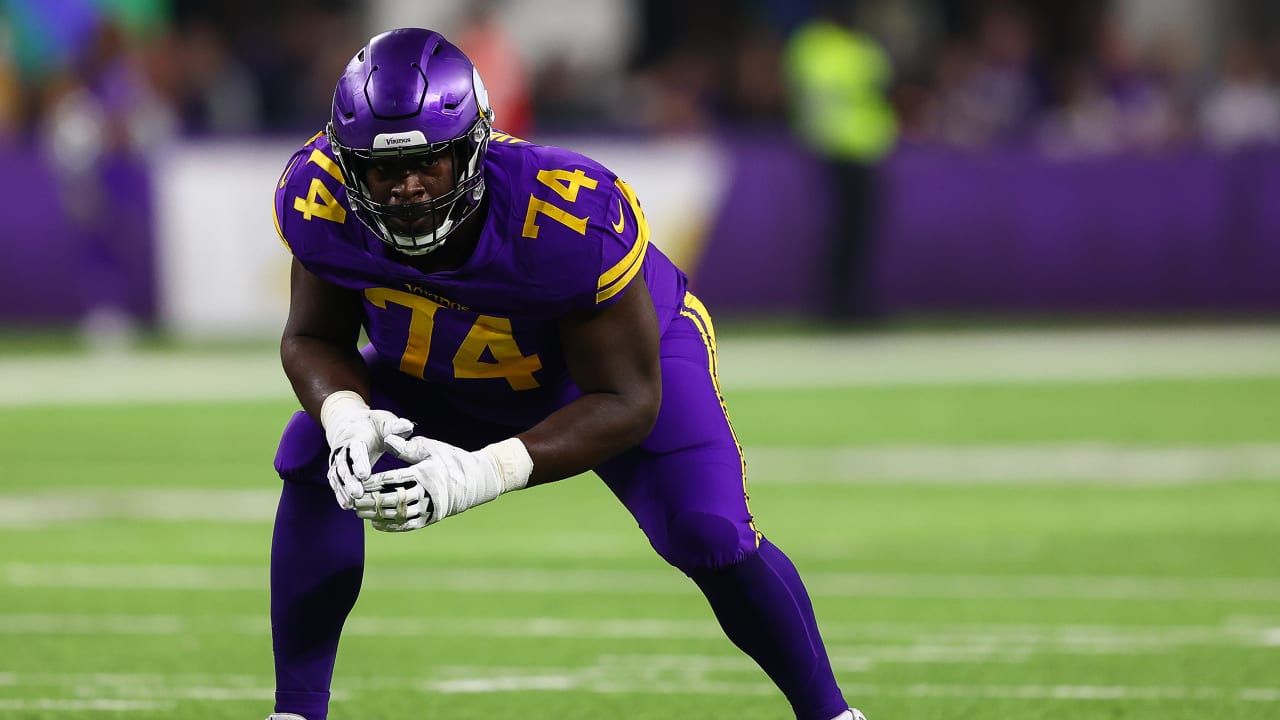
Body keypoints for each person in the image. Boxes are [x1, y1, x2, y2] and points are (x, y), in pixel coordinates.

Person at [266, 27, 866, 720]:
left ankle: (832, 715)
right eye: (379, 167)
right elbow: (313, 336)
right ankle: (296, 712)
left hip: (602, 375)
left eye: (429, 162)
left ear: (475, 143)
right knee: (315, 450)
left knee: (708, 530)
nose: (405, 188)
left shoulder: (565, 216)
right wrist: (346, 416)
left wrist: (480, 474)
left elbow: (628, 400)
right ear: (346, 162)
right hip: (446, 370)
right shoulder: (322, 198)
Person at [783, 1, 897, 324]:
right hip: (835, 149)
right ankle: (840, 305)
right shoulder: (819, 45)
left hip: (865, 148)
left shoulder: (856, 47)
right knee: (845, 231)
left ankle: (855, 303)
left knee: (860, 232)